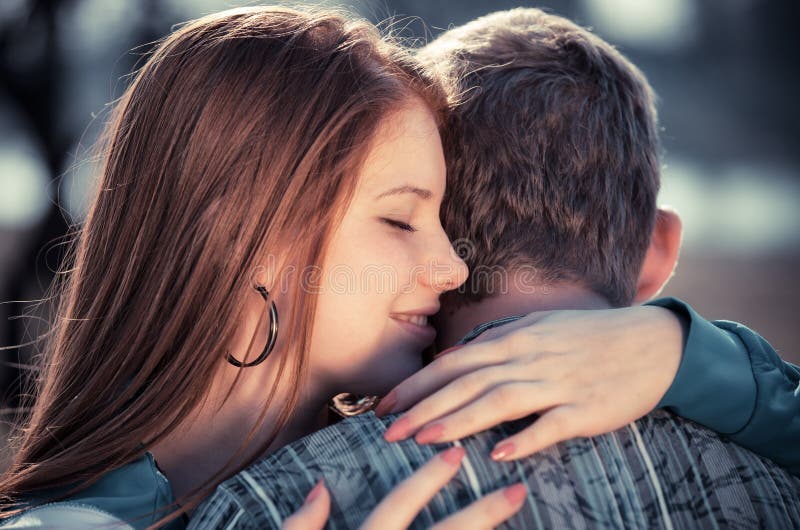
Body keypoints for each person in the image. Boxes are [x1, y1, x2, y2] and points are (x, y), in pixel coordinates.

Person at [0, 6, 754, 530]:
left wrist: (676, 349)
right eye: (400, 220)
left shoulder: (379, 462)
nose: (453, 268)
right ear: (243, 234)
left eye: (445, 220)